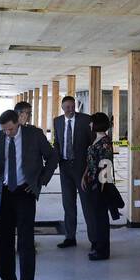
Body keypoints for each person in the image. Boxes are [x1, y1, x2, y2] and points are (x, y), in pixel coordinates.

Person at [0, 109, 56, 280]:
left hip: (25, 192)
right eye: (4, 130)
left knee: (25, 244)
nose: (8, 133)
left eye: (11, 129)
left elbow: (52, 157)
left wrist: (40, 181)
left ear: (18, 123)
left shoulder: (35, 135)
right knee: (2, 244)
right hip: (4, 193)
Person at [52, 94, 93, 248]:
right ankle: (70, 237)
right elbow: (57, 142)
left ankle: (94, 240)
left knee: (87, 204)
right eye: (67, 107)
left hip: (82, 169)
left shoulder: (85, 120)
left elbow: (92, 144)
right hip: (65, 168)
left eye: (72, 106)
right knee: (68, 204)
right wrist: (53, 159)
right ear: (62, 108)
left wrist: (89, 167)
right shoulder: (57, 121)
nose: (70, 110)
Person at [79, 113, 115, 260]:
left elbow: (106, 165)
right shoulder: (97, 140)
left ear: (97, 124)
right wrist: (84, 176)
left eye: (91, 122)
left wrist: (101, 187)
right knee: (95, 216)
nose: (89, 125)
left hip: (99, 185)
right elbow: (92, 161)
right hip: (92, 181)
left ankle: (102, 251)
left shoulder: (105, 142)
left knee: (101, 218)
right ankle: (98, 246)